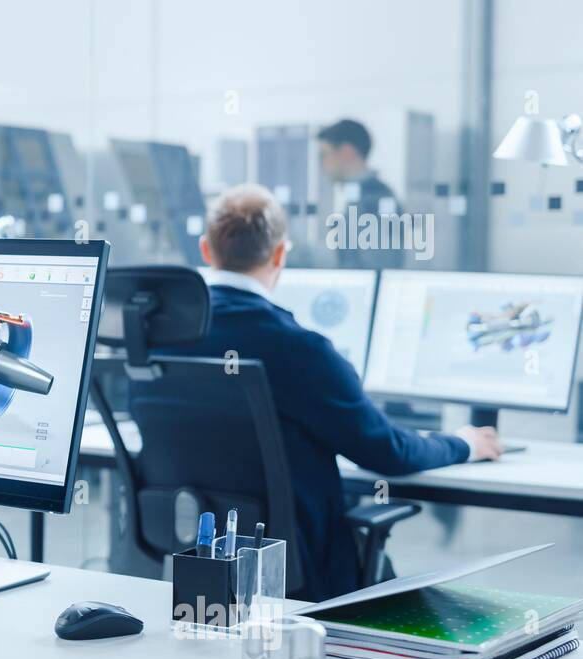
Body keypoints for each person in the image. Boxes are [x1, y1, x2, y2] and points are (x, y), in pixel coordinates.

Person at [153, 184, 502, 601]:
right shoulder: (300, 349)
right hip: (297, 571)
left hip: (190, 557)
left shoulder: (161, 337)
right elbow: (388, 451)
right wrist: (462, 444)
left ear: (206, 250)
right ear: (280, 254)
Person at [317, 118, 404, 269]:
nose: (322, 163)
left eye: (324, 154)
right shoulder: (357, 196)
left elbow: (377, 266)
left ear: (346, 152)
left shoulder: (375, 198)